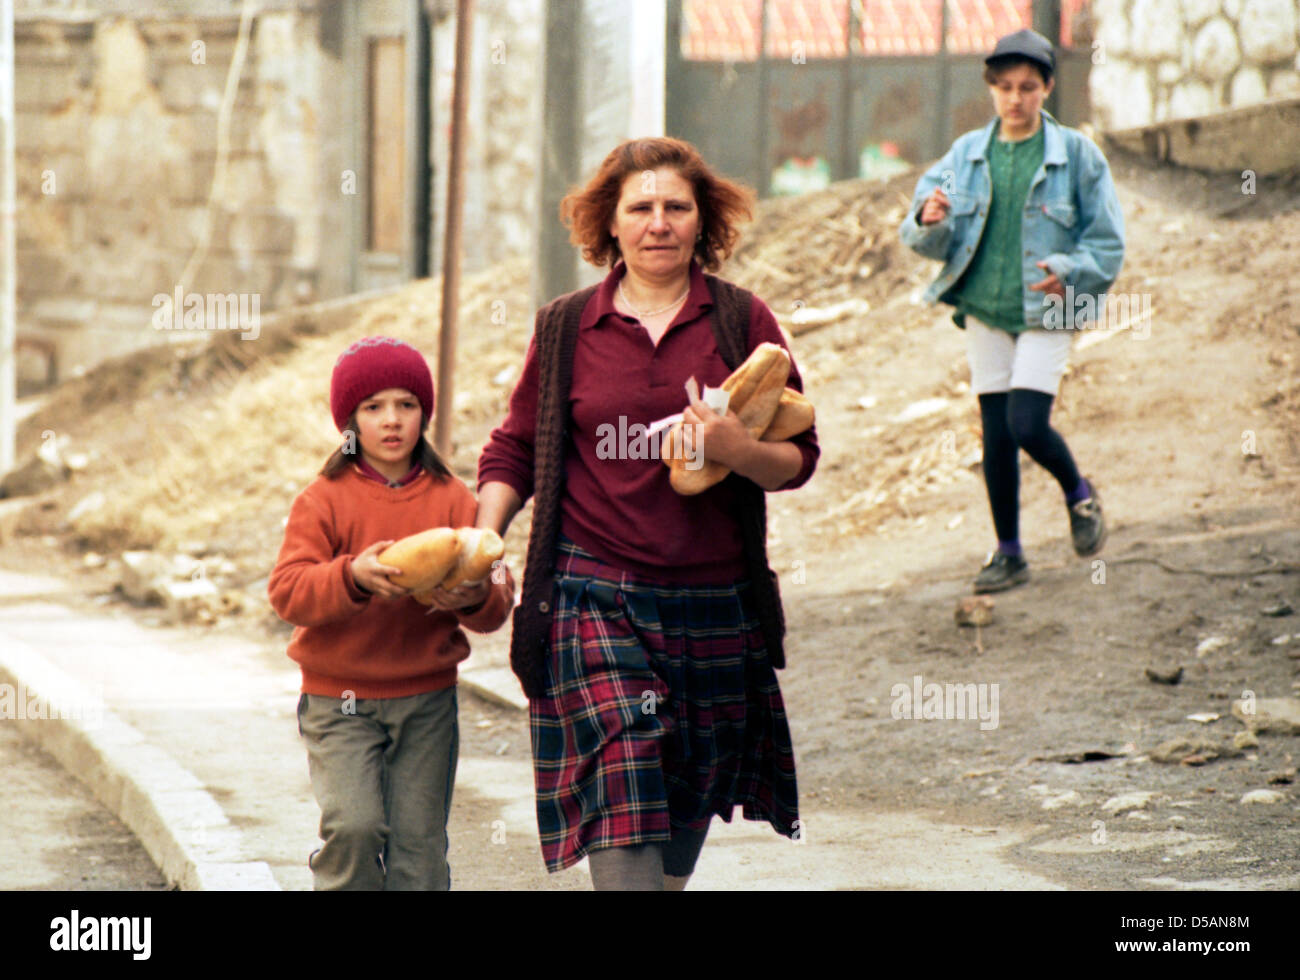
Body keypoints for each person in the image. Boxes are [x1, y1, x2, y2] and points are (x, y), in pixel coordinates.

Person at [476, 137, 819, 890]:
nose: (658, 222)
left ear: (703, 221)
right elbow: (516, 445)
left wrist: (736, 448)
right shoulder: (565, 327)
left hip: (713, 604)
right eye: (641, 207)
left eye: (676, 207)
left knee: (681, 810)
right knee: (622, 771)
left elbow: (800, 458)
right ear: (611, 223)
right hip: (591, 595)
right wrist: (483, 532)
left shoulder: (741, 322)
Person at [268, 336, 515, 890]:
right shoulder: (322, 498)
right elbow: (287, 591)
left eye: (406, 404)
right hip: (339, 701)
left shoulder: (455, 498)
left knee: (419, 852)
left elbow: (499, 588)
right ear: (349, 420)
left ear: (423, 413)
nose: (391, 420)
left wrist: (473, 596)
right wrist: (351, 576)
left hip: (425, 700)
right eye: (373, 407)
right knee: (354, 829)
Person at [899, 28, 1124, 593]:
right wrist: (930, 218)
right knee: (996, 436)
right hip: (984, 307)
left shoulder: (1076, 156)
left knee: (1027, 423)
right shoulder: (964, 157)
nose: (1015, 98)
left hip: (1048, 307)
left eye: (1027, 86)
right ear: (992, 89)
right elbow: (920, 230)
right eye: (1004, 87)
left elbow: (1107, 243)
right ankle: (1008, 553)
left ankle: (1079, 493)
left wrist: (1071, 272)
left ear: (1047, 87)